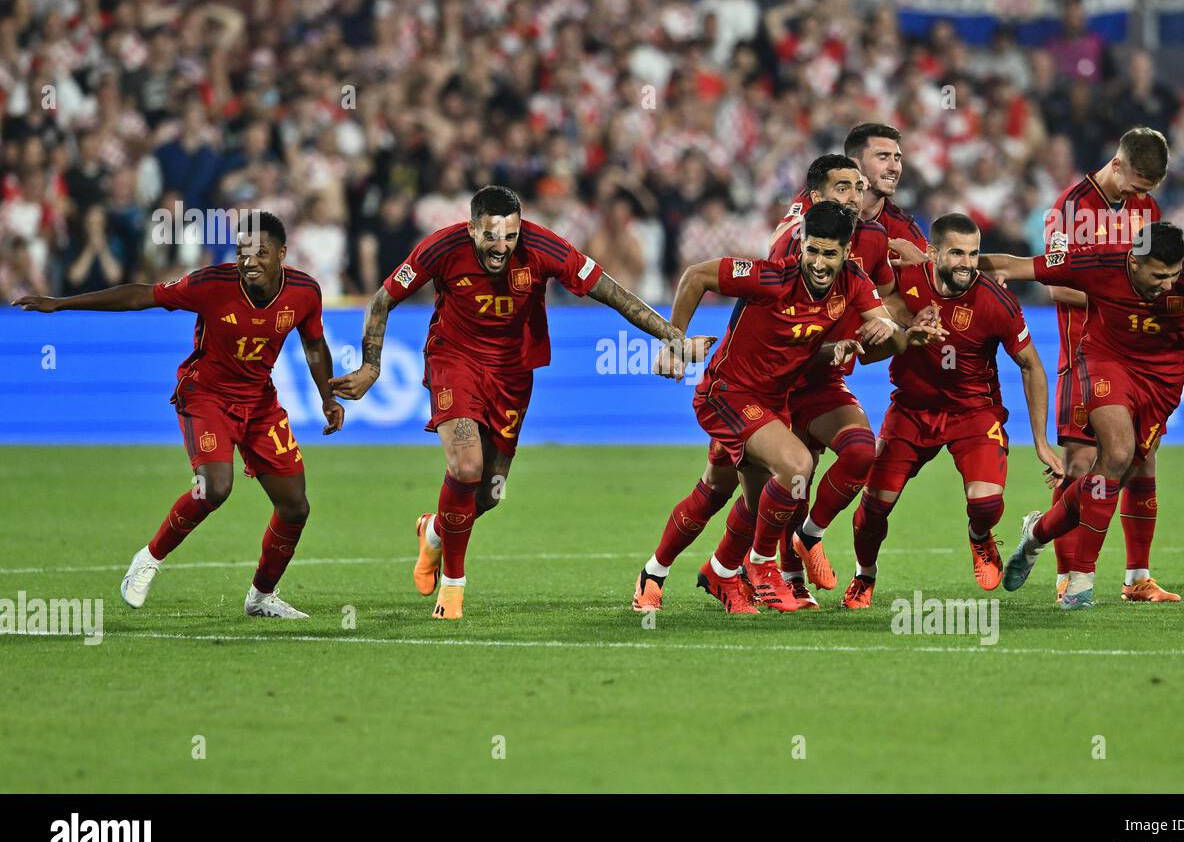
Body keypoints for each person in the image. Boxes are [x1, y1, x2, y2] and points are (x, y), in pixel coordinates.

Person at [329, 185, 703, 620]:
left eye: (510, 237)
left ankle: (433, 531)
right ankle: (453, 588)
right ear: (471, 229)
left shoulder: (545, 248)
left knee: (489, 493)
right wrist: (371, 367)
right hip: (455, 360)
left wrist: (671, 336)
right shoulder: (441, 247)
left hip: (512, 374)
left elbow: (612, 293)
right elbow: (382, 300)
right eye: (491, 237)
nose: (501, 247)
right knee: (465, 467)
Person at [12, 211, 344, 618]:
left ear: (281, 254)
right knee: (215, 487)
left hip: (259, 403)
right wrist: (61, 304)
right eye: (243, 252)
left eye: (260, 253)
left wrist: (327, 396)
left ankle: (260, 597)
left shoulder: (305, 292)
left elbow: (314, 344)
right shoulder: (211, 284)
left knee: (296, 507)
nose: (249, 261)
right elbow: (141, 295)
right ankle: (147, 560)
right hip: (205, 396)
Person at [655, 201, 944, 614]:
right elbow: (697, 275)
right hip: (730, 393)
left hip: (778, 402)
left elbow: (884, 336)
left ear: (846, 253)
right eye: (813, 250)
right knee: (782, 472)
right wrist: (674, 342)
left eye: (830, 253)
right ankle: (758, 566)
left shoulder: (855, 281)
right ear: (801, 244)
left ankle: (719, 570)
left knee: (756, 500)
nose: (820, 263)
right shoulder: (770, 276)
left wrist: (899, 332)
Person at [979, 221, 1184, 609]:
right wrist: (951, 262)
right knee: (1117, 453)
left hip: (1163, 378)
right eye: (1158, 276)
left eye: (1173, 275)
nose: (1168, 285)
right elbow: (1014, 265)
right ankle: (1081, 579)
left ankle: (1036, 532)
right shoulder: (1097, 264)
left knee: (1114, 475)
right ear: (1134, 262)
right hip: (1107, 362)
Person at [849, 213, 1061, 608]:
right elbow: (868, 358)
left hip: (973, 412)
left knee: (986, 504)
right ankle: (865, 575)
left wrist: (1042, 442)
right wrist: (906, 335)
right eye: (957, 253)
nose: (967, 263)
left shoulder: (996, 301)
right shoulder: (902, 284)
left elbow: (1032, 365)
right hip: (911, 410)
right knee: (874, 506)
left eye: (974, 253)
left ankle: (980, 538)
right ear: (932, 254)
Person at [1043, 127, 1184, 603]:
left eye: (1149, 190)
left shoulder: (1146, 211)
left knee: (1140, 458)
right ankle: (1067, 579)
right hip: (1084, 352)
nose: (1141, 196)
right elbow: (1056, 286)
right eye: (1136, 184)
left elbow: (1157, 276)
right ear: (1117, 165)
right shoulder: (1069, 210)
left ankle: (1137, 577)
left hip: (1136, 358)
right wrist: (1119, 298)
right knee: (1079, 462)